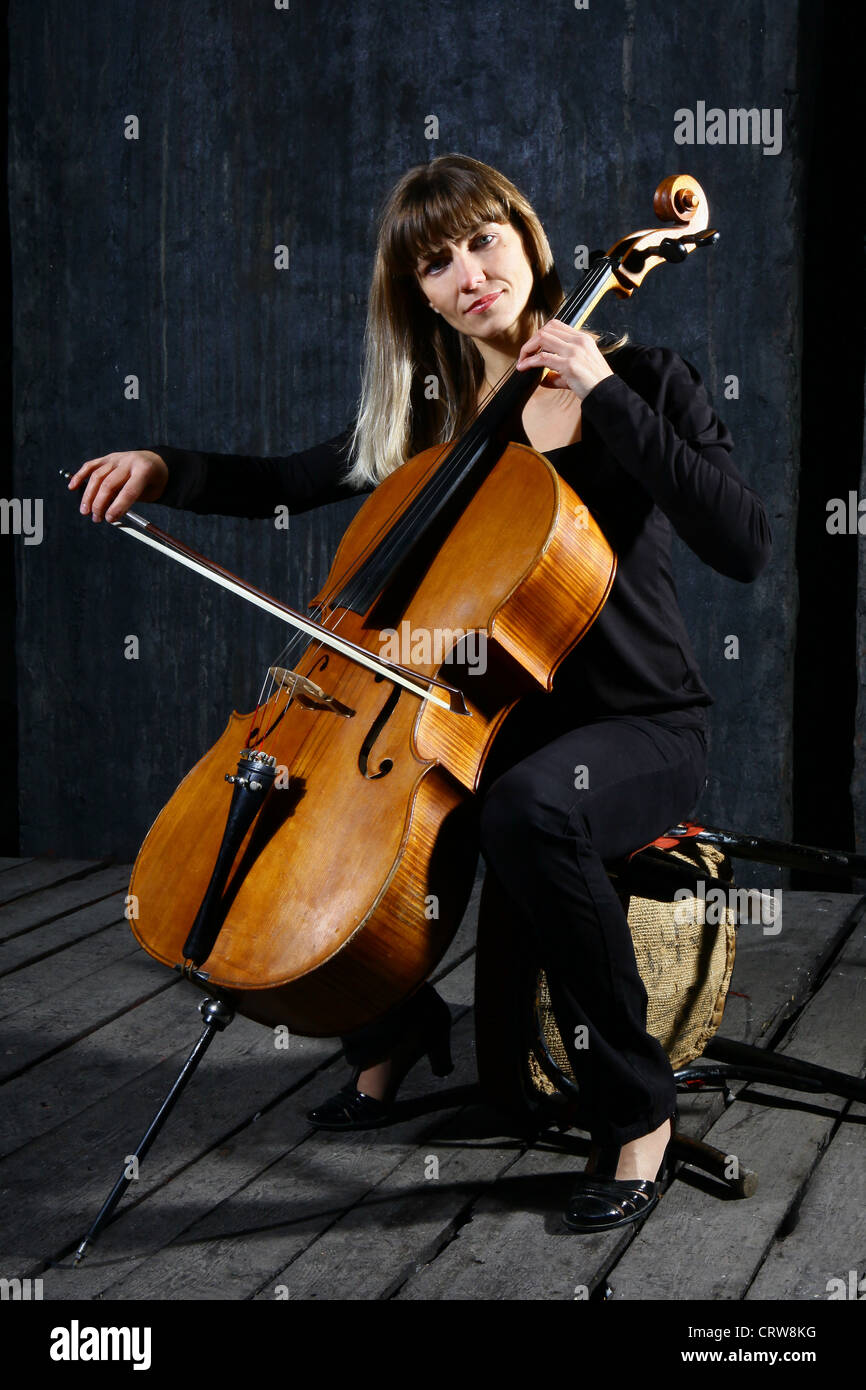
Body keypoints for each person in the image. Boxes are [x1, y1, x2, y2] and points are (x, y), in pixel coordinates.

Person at [68, 153, 772, 1233]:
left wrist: (601, 395)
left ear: (527, 240)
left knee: (526, 807)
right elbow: (288, 481)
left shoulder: (645, 380)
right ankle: (390, 1030)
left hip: (638, 727)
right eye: (434, 263)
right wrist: (163, 467)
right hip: (467, 727)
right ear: (419, 293)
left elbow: (744, 542)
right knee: (329, 825)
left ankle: (637, 1109)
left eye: (481, 241)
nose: (467, 273)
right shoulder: (432, 426)